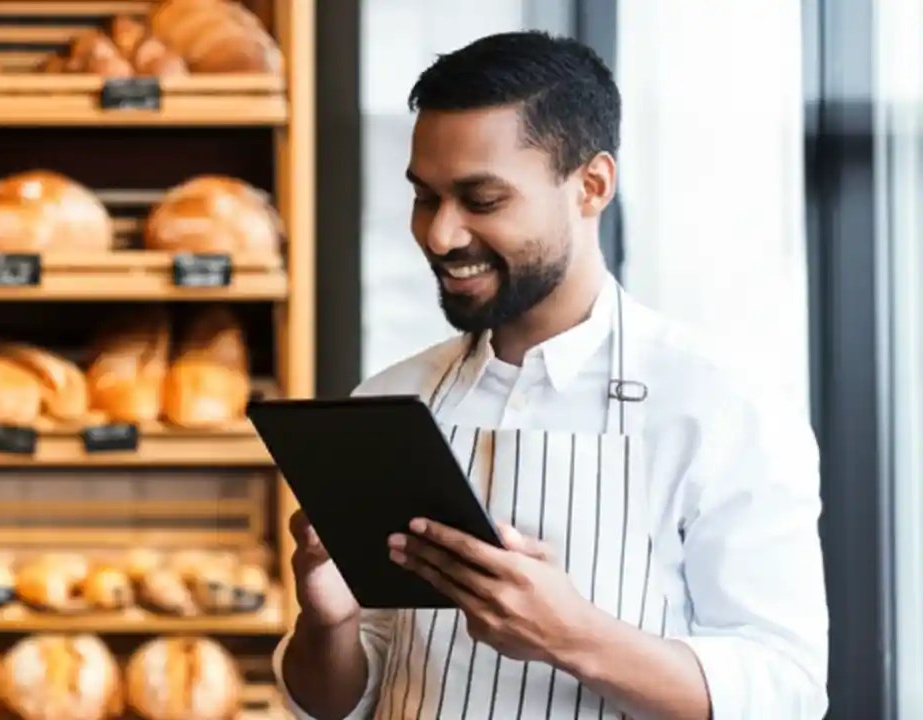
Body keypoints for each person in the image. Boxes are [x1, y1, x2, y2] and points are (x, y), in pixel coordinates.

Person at [273, 31, 829, 720]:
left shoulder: (721, 405)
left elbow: (785, 691)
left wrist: (570, 634)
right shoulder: (389, 400)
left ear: (592, 186)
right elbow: (337, 703)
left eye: (482, 200)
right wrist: (327, 623)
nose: (441, 235)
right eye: (425, 197)